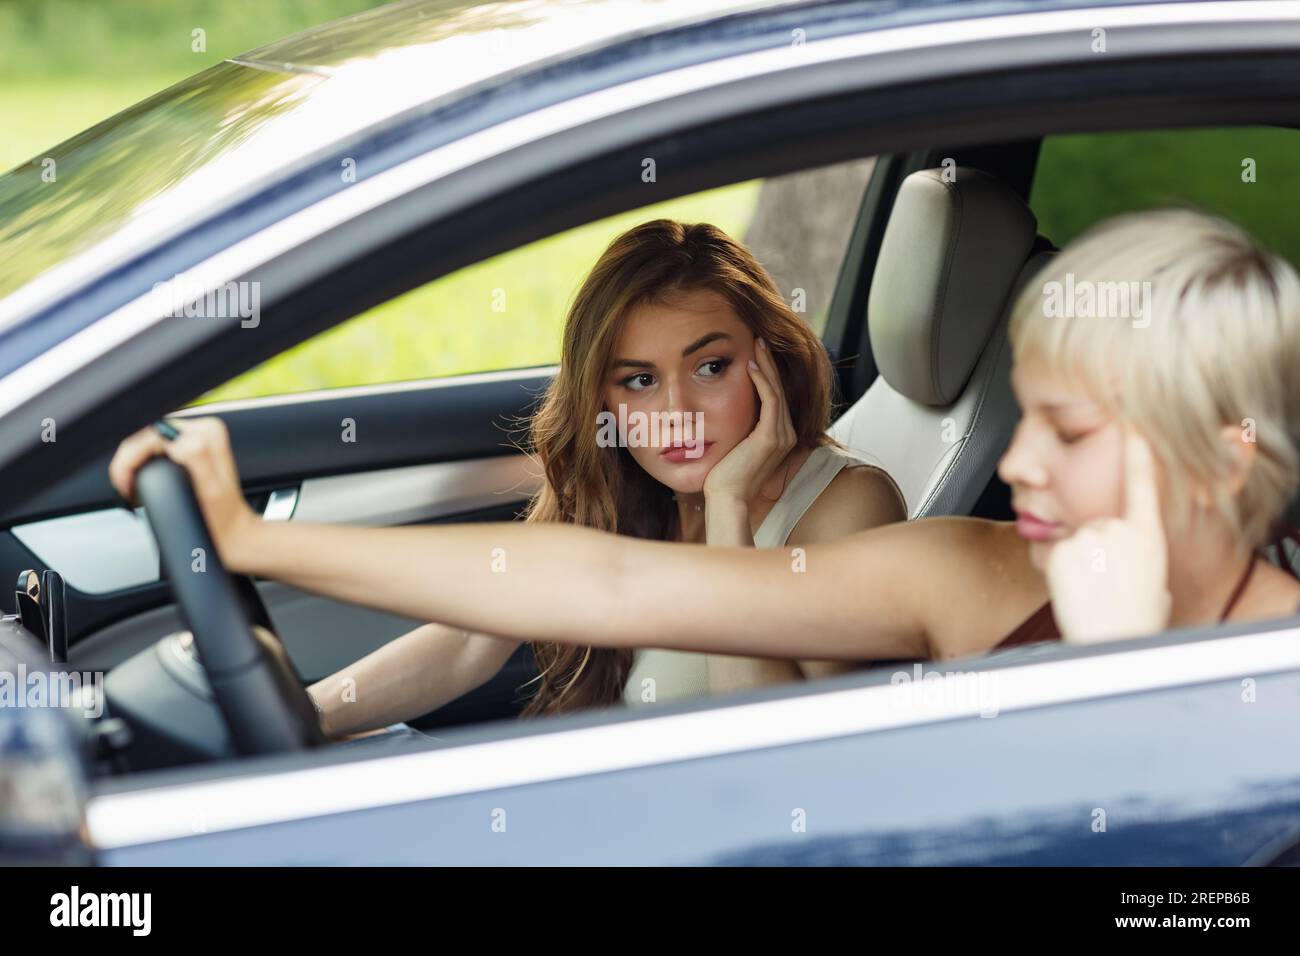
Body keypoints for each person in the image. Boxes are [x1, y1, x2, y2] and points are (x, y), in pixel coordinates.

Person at [110, 207, 1300, 724]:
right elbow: (602, 586)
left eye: (1072, 431)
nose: (1018, 462)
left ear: (1221, 454)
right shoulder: (955, 570)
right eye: (1023, 416)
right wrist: (256, 541)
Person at [111, 219, 904, 736]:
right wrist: (301, 723)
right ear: (601, 395)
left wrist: (731, 512)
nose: (676, 412)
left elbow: (771, 754)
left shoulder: (846, 508)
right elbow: (466, 643)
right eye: (636, 381)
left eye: (711, 366)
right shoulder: (628, 493)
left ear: (768, 359)